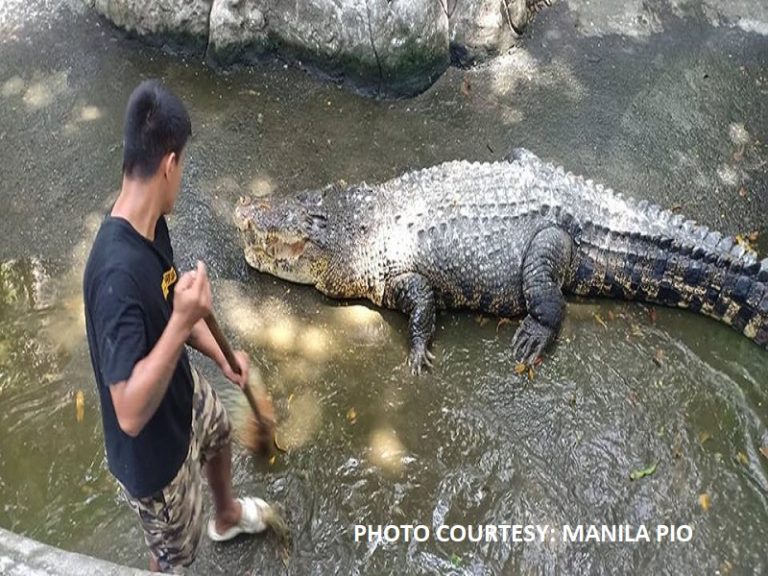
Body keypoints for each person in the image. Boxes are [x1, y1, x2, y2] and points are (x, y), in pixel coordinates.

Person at [83, 79, 271, 573]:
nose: (181, 178)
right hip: (154, 462)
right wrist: (184, 319)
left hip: (180, 398)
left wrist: (220, 358)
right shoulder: (114, 276)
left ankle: (226, 515)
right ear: (168, 164)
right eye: (182, 165)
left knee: (220, 431)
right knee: (174, 555)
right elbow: (127, 410)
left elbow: (173, 310)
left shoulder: (150, 227)